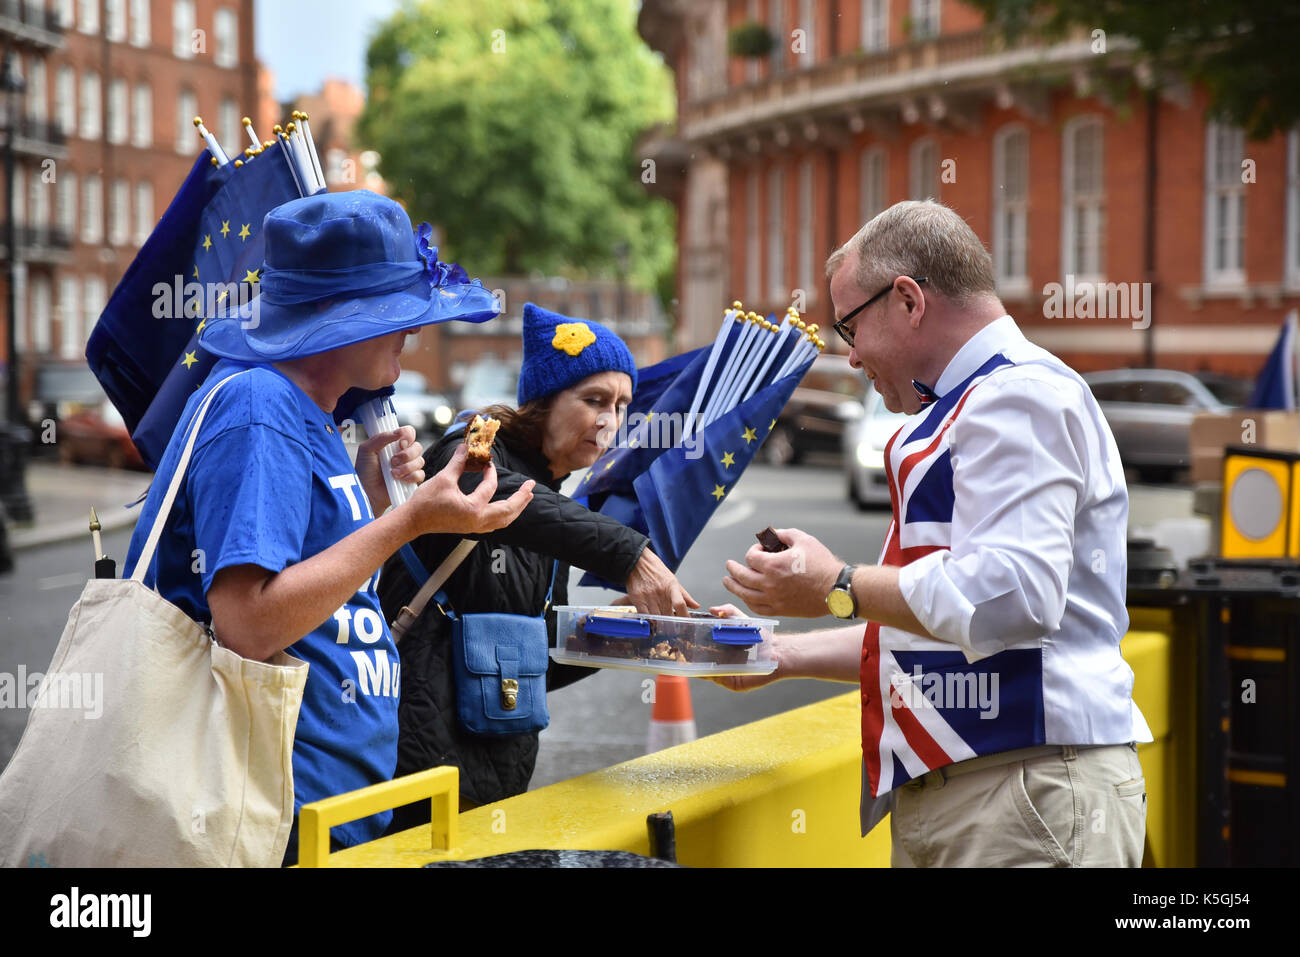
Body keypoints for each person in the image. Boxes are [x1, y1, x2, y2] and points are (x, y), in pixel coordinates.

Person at [718, 200, 1152, 867]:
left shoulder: (1016, 394)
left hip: (1018, 788)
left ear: (909, 300)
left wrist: (837, 583)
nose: (851, 354)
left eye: (849, 326)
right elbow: (940, 619)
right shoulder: (979, 399)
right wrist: (780, 652)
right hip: (1004, 789)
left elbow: (1013, 594)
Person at [123, 190, 533, 864]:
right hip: (270, 819)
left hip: (317, 812)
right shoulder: (261, 406)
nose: (414, 333)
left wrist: (371, 506)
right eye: (397, 315)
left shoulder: (299, 411)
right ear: (333, 316)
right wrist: (407, 520)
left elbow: (309, 591)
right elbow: (249, 624)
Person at [378, 302, 697, 828]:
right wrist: (632, 554)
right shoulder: (475, 445)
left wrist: (634, 630)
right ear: (544, 401)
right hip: (417, 771)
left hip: (500, 773)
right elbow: (488, 489)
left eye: (620, 405)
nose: (608, 420)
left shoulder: (551, 501)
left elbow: (539, 659)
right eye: (593, 399)